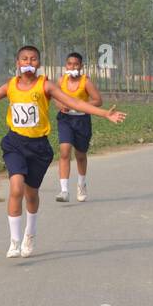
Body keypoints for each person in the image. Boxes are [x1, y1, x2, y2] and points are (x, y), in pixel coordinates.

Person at [0, 45, 127, 259]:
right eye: (25, 59)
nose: (29, 62)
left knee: (31, 195)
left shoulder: (46, 86)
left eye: (34, 59)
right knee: (16, 188)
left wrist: (104, 114)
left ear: (39, 63)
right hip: (15, 144)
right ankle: (14, 241)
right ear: (18, 63)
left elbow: (74, 102)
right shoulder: (10, 86)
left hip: (39, 148)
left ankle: (30, 233)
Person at [55, 51, 101, 203]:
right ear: (65, 65)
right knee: (64, 150)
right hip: (65, 120)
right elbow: (56, 99)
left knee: (80, 155)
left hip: (82, 121)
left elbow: (98, 101)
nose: (72, 66)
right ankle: (64, 190)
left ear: (81, 66)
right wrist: (61, 105)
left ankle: (81, 184)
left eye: (76, 64)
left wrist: (81, 106)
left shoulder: (86, 82)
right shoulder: (61, 81)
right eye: (69, 64)